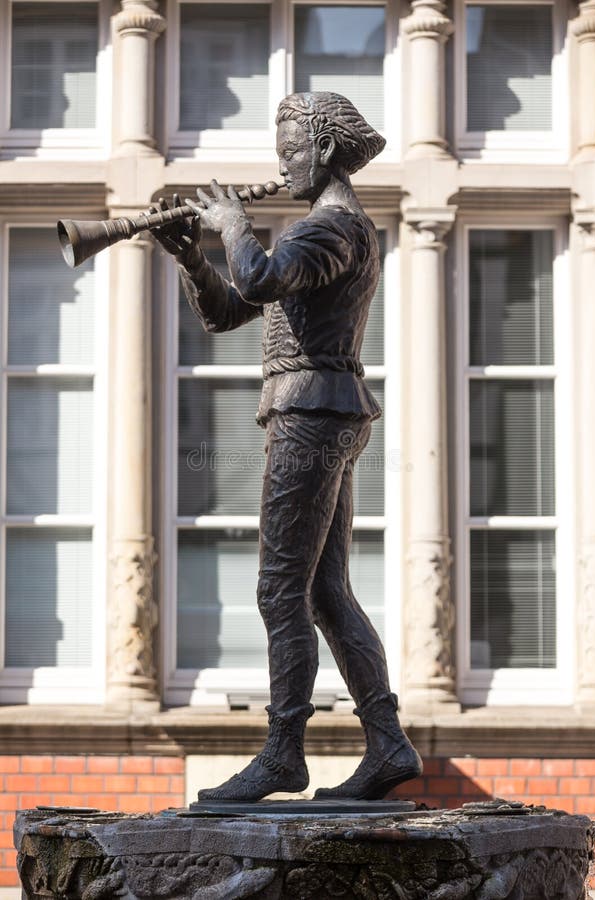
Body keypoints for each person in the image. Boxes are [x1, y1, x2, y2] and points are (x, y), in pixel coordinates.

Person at [149, 91, 422, 802]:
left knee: (279, 589)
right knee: (326, 592)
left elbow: (261, 276)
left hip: (309, 414)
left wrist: (234, 221)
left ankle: (282, 752)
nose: (282, 163)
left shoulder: (329, 229)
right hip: (321, 411)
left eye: (290, 147)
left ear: (324, 149)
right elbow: (229, 309)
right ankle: (389, 745)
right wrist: (192, 258)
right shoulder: (319, 236)